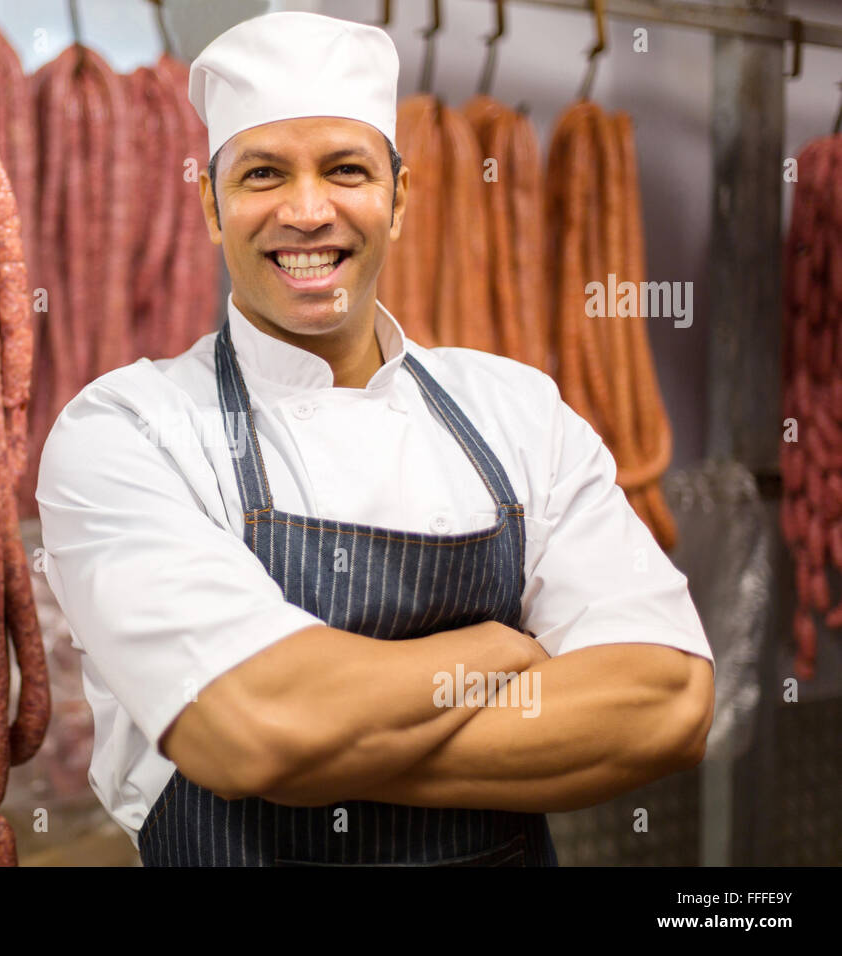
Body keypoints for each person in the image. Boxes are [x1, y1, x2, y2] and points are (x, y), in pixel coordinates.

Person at [36, 10, 714, 866]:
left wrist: (314, 759)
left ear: (398, 199)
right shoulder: (128, 429)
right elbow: (246, 729)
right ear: (212, 205)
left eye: (346, 170)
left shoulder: (518, 410)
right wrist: (490, 655)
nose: (309, 210)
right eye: (263, 174)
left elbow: (671, 701)